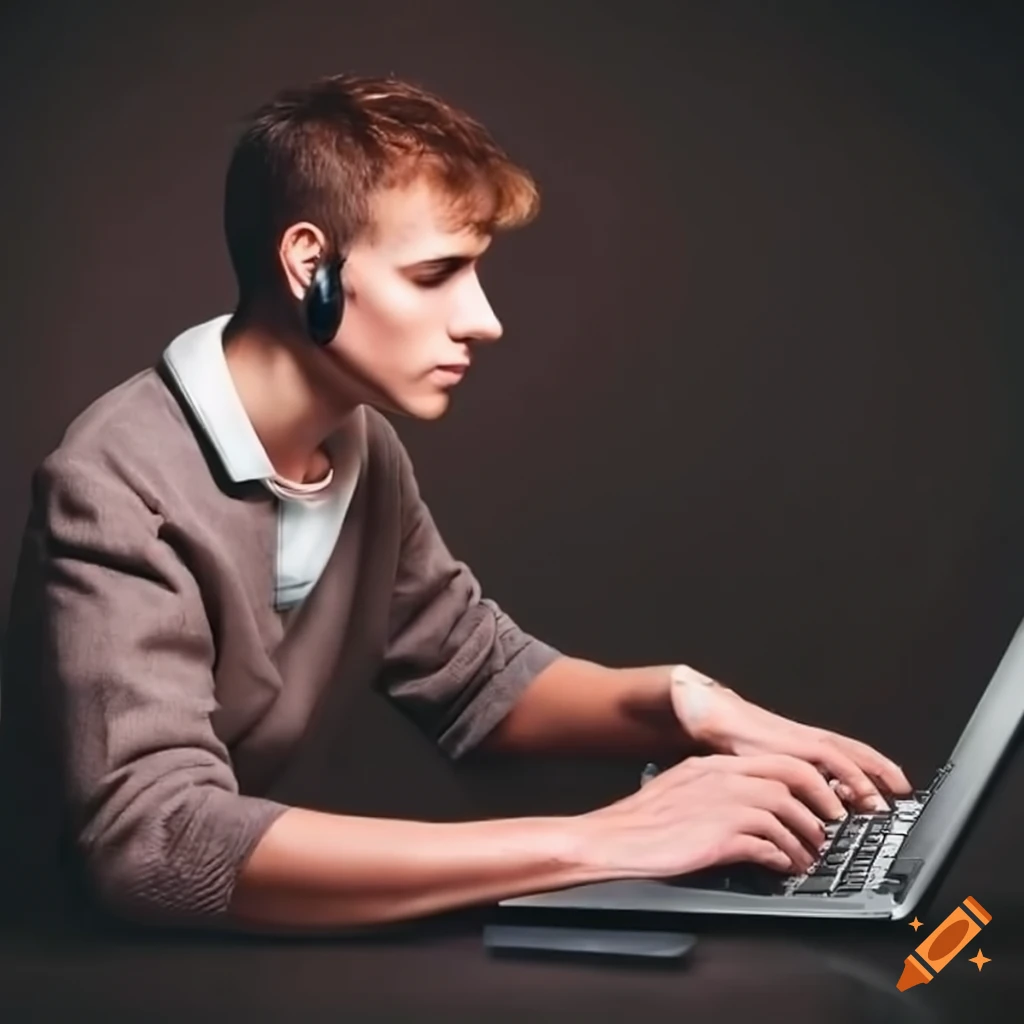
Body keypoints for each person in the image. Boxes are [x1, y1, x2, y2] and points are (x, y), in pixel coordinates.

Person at [0, 73, 911, 935]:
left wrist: (683, 704)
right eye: (437, 275)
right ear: (309, 263)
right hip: (71, 974)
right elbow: (152, 844)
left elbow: (474, 676)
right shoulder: (114, 482)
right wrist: (599, 843)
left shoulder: (364, 448)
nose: (484, 318)